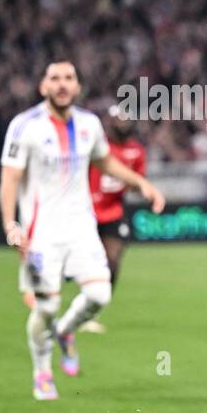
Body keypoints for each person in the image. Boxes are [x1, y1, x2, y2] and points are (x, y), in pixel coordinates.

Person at [0, 62, 166, 400]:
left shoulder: (89, 124)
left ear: (77, 87)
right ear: (43, 86)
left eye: (69, 79)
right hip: (41, 232)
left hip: (81, 228)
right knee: (45, 307)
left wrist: (142, 184)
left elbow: (106, 161)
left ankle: (64, 331)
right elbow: (10, 178)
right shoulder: (24, 126)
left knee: (100, 295)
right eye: (55, 78)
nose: (62, 84)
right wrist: (10, 225)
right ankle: (42, 372)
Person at [81, 104, 148, 333]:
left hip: (113, 211)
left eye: (126, 119)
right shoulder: (98, 148)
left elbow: (137, 181)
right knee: (85, 263)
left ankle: (92, 311)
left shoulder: (136, 151)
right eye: (118, 119)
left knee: (113, 260)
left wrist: (137, 186)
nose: (123, 123)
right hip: (87, 211)